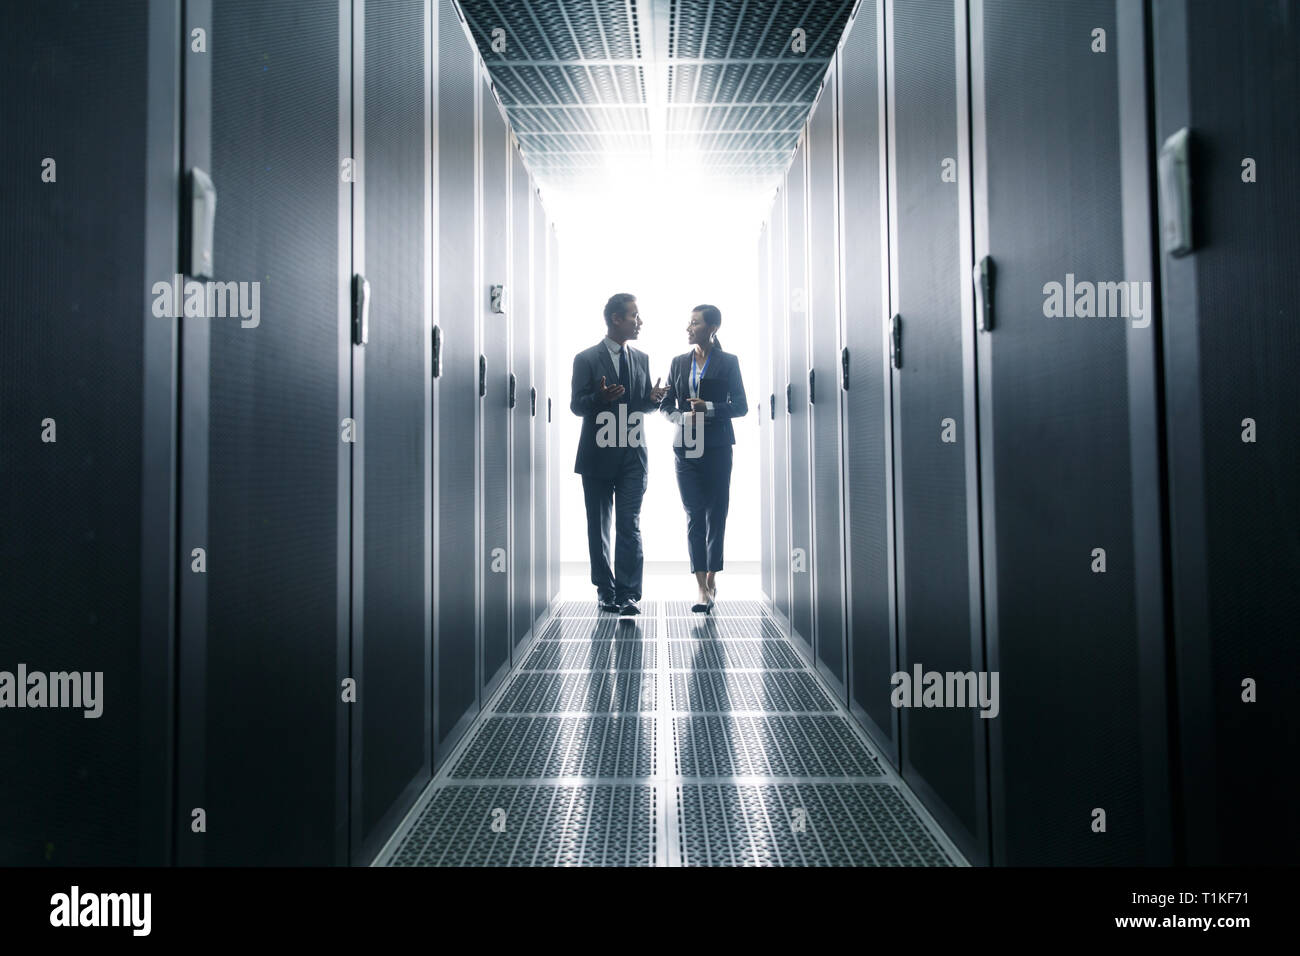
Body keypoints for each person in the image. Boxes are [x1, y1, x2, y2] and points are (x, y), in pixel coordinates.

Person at [570, 293, 668, 615]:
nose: (640, 322)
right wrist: (598, 398)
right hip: (598, 454)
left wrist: (653, 400)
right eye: (634, 316)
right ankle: (605, 589)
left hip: (633, 456)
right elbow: (576, 406)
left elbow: (639, 404)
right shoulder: (585, 359)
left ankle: (628, 594)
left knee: (630, 524)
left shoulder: (641, 357)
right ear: (616, 319)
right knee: (598, 525)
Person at [658, 304, 747, 612]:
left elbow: (741, 406)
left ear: (712, 328)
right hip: (686, 447)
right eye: (689, 322)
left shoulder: (728, 362)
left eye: (694, 323)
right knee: (694, 514)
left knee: (716, 514)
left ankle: (711, 578)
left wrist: (707, 408)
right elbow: (666, 404)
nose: (688, 327)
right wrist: (679, 417)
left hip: (718, 448)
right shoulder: (678, 363)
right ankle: (700, 588)